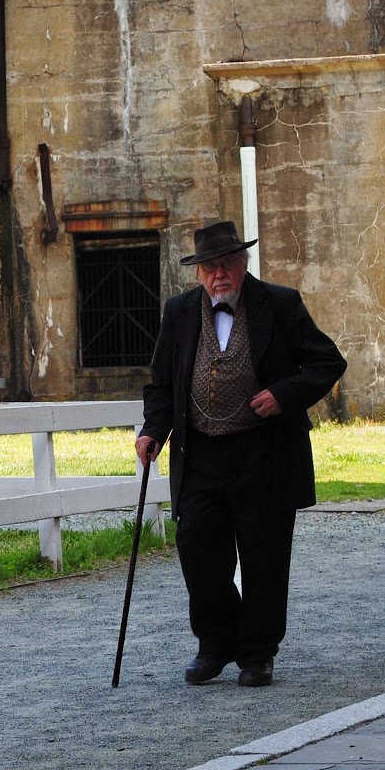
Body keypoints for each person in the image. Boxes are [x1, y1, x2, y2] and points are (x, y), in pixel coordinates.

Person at [135, 220, 346, 688]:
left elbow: (328, 361)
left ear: (243, 263)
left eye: (227, 263)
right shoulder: (180, 312)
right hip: (201, 456)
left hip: (263, 453)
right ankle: (215, 644)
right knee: (199, 552)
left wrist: (283, 394)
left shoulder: (280, 304)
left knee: (264, 558)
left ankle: (257, 653)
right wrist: (154, 430)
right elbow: (163, 385)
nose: (219, 274)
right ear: (198, 274)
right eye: (209, 267)